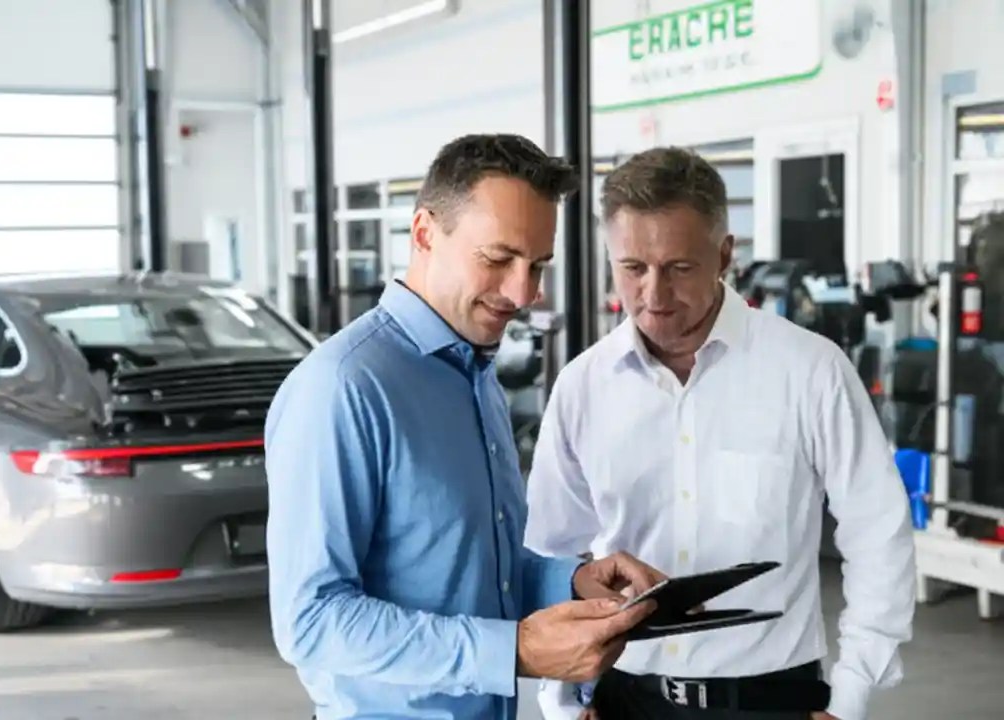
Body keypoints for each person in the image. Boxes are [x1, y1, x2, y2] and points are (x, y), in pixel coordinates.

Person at [264, 133, 669, 720]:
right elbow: (310, 621)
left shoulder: (472, 375)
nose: (523, 292)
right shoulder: (343, 387)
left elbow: (466, 574)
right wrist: (517, 650)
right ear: (426, 232)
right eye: (498, 259)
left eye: (537, 266)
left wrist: (570, 581)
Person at [525, 146, 917, 720]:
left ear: (725, 254)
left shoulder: (809, 370)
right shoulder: (583, 385)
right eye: (633, 268)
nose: (654, 296)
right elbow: (552, 548)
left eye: (679, 267)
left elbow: (877, 530)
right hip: (621, 697)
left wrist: (853, 691)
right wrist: (560, 699)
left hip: (772, 698)